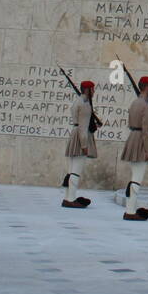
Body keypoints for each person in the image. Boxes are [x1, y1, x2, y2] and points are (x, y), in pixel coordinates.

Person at [120, 76, 148, 221]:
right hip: (141, 140)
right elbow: (147, 130)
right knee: (137, 178)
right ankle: (130, 211)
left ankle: (130, 208)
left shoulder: (135, 102)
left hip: (133, 137)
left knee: (134, 176)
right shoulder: (147, 106)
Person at [62, 79, 97, 209]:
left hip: (74, 133)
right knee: (76, 171)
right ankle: (71, 199)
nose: (94, 92)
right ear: (87, 90)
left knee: (71, 170)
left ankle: (67, 197)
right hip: (80, 137)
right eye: (92, 89)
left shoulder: (78, 101)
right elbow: (83, 127)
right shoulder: (85, 105)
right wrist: (84, 146)